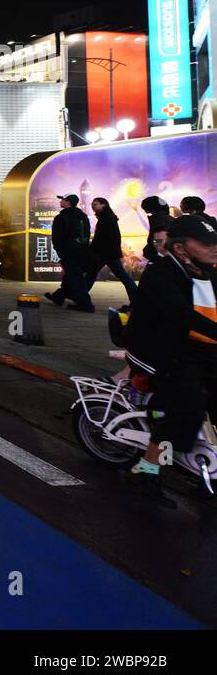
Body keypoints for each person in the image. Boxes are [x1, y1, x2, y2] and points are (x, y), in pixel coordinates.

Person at [121, 215, 217, 506]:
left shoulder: (208, 271)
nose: (214, 248)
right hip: (158, 348)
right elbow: (181, 314)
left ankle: (208, 469)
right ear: (180, 248)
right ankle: (146, 470)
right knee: (185, 409)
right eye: (205, 243)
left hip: (198, 347)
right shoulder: (162, 273)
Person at [45, 194, 94, 312]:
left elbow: (57, 238)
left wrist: (61, 252)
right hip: (82, 251)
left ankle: (86, 304)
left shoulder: (61, 217)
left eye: (62, 200)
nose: (60, 201)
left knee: (75, 278)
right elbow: (87, 234)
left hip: (69, 253)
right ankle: (59, 297)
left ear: (68, 203)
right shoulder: (83, 216)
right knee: (71, 276)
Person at [86, 197, 137, 303]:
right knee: (121, 276)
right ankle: (137, 298)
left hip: (105, 253)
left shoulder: (106, 219)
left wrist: (91, 250)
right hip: (109, 253)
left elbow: (102, 238)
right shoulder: (107, 217)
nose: (93, 206)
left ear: (103, 205)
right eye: (92, 204)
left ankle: (80, 296)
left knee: (92, 273)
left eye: (95, 204)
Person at [139, 195, 173, 264]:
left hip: (161, 257)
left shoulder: (158, 219)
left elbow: (157, 240)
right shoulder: (167, 218)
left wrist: (148, 251)